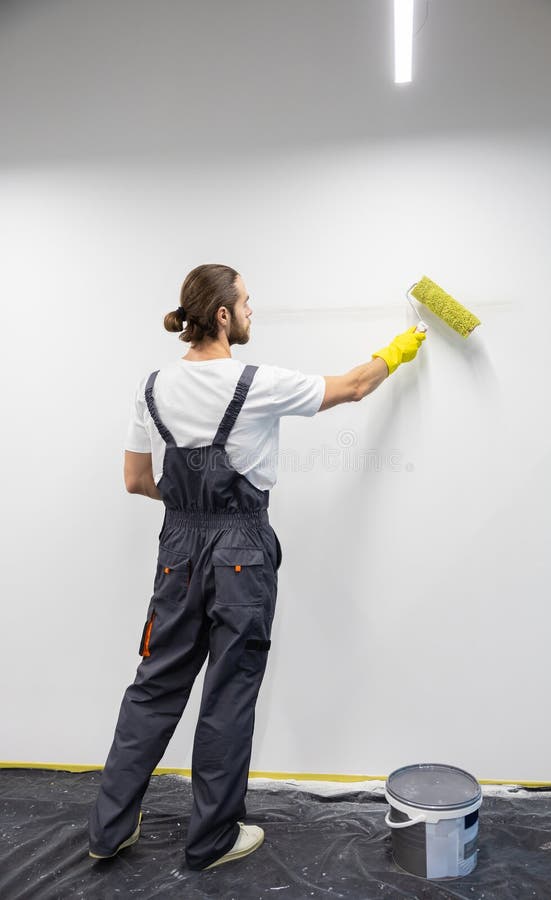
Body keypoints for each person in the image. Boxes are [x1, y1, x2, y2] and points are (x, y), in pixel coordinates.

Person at [88, 263, 425, 870]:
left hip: (177, 553)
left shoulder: (150, 387)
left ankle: (107, 829)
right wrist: (396, 351)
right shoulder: (257, 382)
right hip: (240, 552)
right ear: (222, 314)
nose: (251, 310)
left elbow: (137, 480)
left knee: (155, 685)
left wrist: (191, 506)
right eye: (245, 302)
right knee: (228, 691)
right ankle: (210, 841)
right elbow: (351, 386)